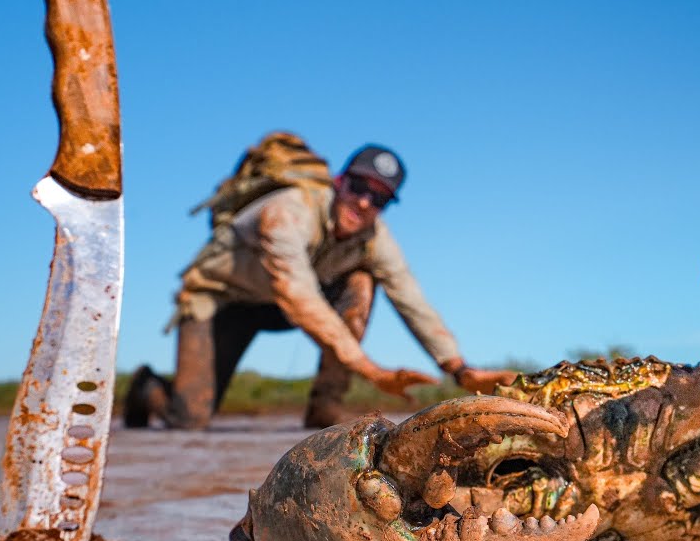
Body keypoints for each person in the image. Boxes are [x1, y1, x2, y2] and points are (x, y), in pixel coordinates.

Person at [124, 137, 516, 429]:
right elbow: (298, 295)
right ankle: (147, 389)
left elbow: (409, 296)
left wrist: (460, 369)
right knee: (189, 418)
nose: (364, 204)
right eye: (359, 188)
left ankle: (323, 412)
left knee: (362, 280)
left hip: (280, 306)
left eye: (378, 199)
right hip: (222, 303)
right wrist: (372, 370)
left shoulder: (373, 236)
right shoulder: (289, 209)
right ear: (339, 181)